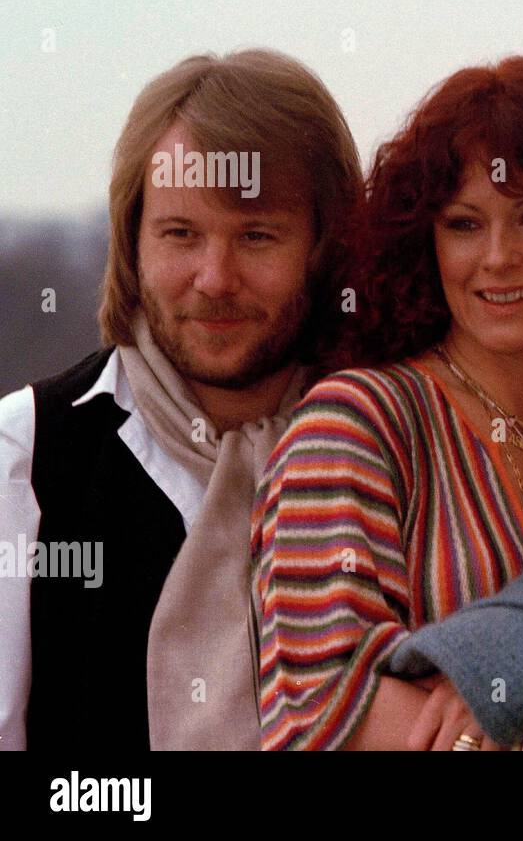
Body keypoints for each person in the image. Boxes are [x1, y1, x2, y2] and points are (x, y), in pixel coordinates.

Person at [251, 56, 523, 750]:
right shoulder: (357, 426)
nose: (498, 257)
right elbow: (323, 702)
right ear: (424, 243)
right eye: (463, 223)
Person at [0, 50, 362, 749]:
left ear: (326, 248)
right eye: (181, 234)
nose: (215, 278)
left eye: (257, 236)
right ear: (132, 240)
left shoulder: (395, 448)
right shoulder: (24, 459)